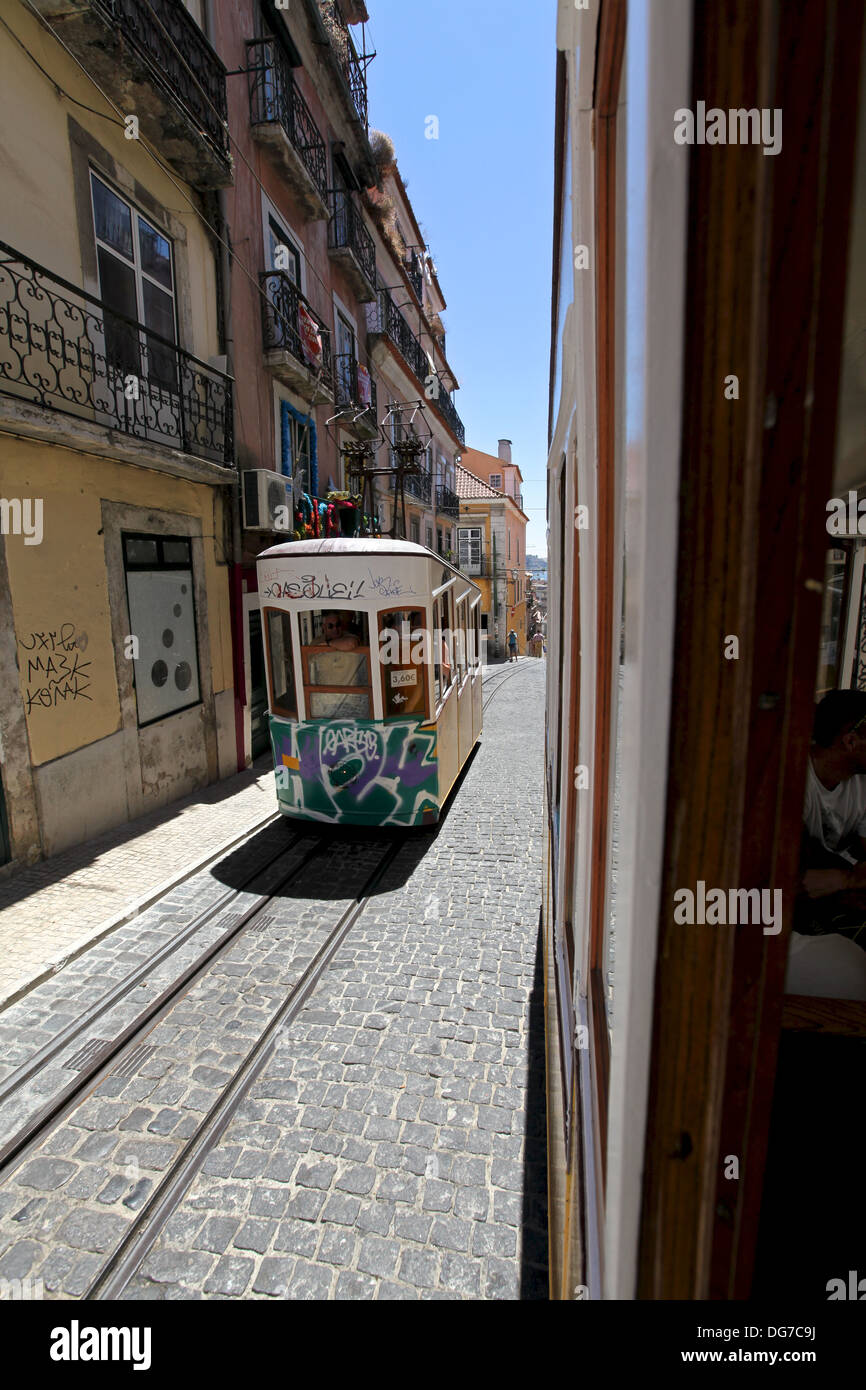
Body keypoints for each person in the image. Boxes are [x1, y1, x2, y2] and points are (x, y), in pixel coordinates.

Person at [795, 688, 866, 950]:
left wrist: (846, 880)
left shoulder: (862, 782)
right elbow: (794, 879)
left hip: (834, 892)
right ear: (850, 740)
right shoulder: (791, 777)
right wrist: (849, 879)